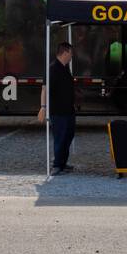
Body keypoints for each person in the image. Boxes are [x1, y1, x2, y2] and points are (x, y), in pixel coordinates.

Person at [37, 41, 76, 174]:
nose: (72, 56)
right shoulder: (52, 69)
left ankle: (63, 163)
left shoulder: (65, 67)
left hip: (69, 110)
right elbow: (44, 89)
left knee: (68, 136)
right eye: (71, 53)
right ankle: (57, 165)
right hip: (58, 111)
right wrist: (43, 107)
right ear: (65, 52)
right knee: (60, 137)